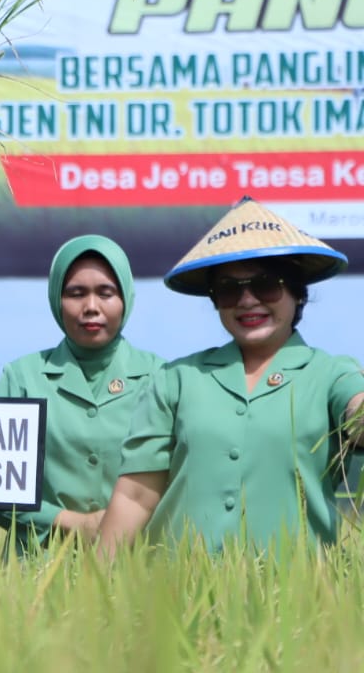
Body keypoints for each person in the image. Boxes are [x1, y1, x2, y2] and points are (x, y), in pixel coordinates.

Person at [99, 197, 364, 555]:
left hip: (296, 598)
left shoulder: (332, 374)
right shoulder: (176, 378)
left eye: (266, 284)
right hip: (177, 596)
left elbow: (356, 408)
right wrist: (95, 583)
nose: (247, 300)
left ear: (297, 294)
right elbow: (135, 495)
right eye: (228, 289)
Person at [0, 235, 163, 551]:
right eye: (76, 294)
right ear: (57, 299)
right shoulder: (23, 377)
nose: (91, 307)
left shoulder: (160, 378)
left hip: (135, 571)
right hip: (36, 570)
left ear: (126, 298)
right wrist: (72, 523)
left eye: (106, 293)